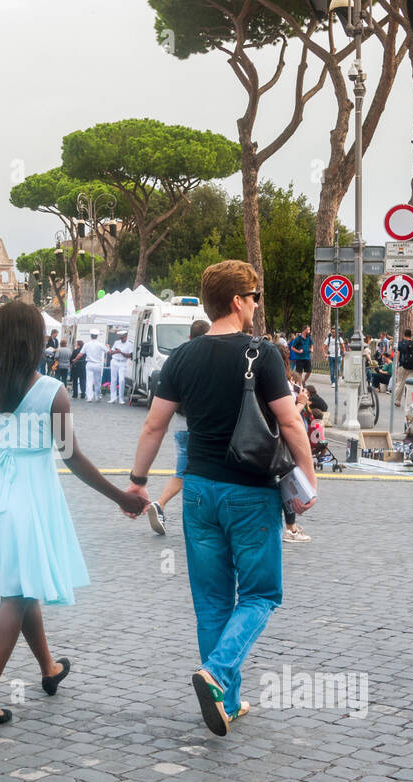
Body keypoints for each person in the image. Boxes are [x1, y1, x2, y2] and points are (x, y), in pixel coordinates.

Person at [126, 260, 316, 737]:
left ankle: (225, 701)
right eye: (254, 298)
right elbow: (291, 423)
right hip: (250, 494)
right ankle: (217, 672)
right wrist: (308, 480)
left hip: (200, 491)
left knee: (212, 602)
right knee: (260, 594)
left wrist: (137, 479)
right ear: (237, 301)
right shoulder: (263, 353)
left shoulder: (182, 357)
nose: (256, 306)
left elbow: (154, 424)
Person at [0, 301, 147, 725]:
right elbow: (73, 459)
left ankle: (48, 668)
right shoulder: (53, 392)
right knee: (15, 596)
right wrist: (120, 498)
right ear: (35, 340)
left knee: (21, 583)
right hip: (29, 499)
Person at [145, 318, 210, 536]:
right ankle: (190, 515)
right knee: (201, 474)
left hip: (180, 426)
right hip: (201, 426)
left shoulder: (179, 358)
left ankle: (163, 505)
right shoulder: (209, 359)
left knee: (183, 473)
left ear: (190, 336)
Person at [278, 341, 312, 544]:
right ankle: (290, 528)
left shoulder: (280, 381)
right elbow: (286, 417)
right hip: (284, 440)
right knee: (288, 482)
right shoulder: (281, 382)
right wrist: (300, 404)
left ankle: (289, 526)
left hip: (276, 440)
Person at [392, 328, 413, 408]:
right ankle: (410, 401)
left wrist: (397, 365)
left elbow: (398, 355)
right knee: (411, 385)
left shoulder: (401, 344)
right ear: (411, 335)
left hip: (403, 367)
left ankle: (397, 401)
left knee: (400, 383)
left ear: (404, 335)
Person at [77, 331, 107, 402]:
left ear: (91, 336)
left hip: (89, 364)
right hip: (98, 364)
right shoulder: (100, 344)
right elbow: (107, 351)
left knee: (89, 381)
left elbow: (80, 354)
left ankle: (89, 397)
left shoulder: (87, 344)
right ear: (97, 336)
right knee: (97, 382)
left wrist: (74, 360)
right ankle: (97, 396)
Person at [108, 331, 134, 404]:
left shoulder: (130, 344)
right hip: (114, 361)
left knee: (121, 380)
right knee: (113, 379)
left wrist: (121, 352)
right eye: (120, 337)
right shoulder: (116, 342)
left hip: (123, 363)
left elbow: (129, 356)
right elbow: (111, 352)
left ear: (126, 336)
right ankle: (113, 398)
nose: (121, 339)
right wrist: (115, 352)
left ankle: (121, 398)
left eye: (122, 338)